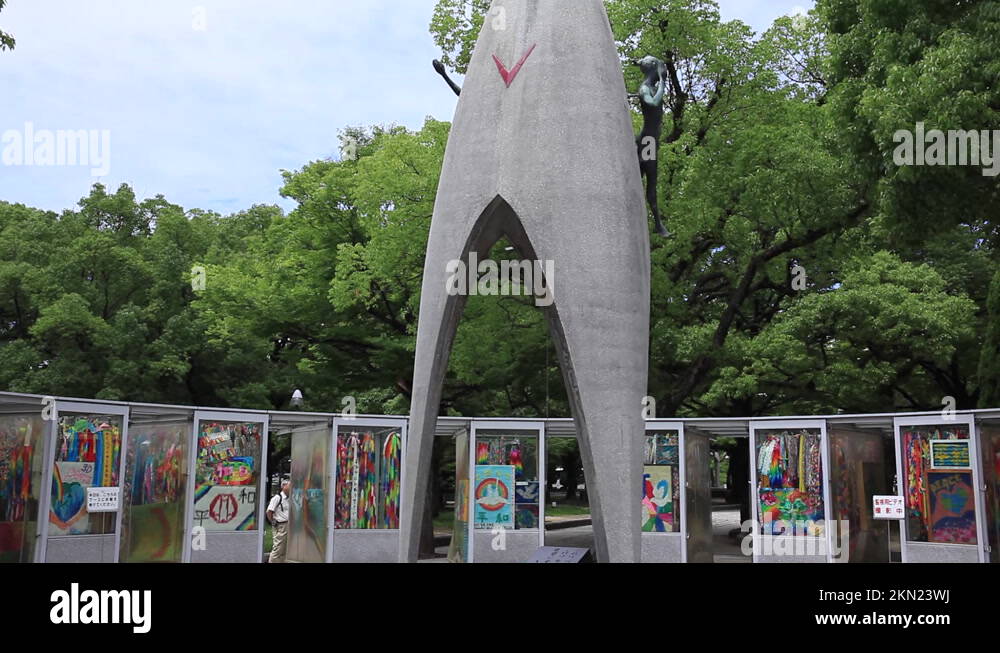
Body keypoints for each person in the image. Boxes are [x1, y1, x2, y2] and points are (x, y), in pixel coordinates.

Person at [266, 479, 290, 563]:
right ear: (283, 486)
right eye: (289, 485)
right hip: (281, 526)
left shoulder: (289, 498)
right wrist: (272, 521)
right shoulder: (277, 498)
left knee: (285, 548)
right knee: (278, 548)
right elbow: (269, 511)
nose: (291, 487)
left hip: (288, 525)